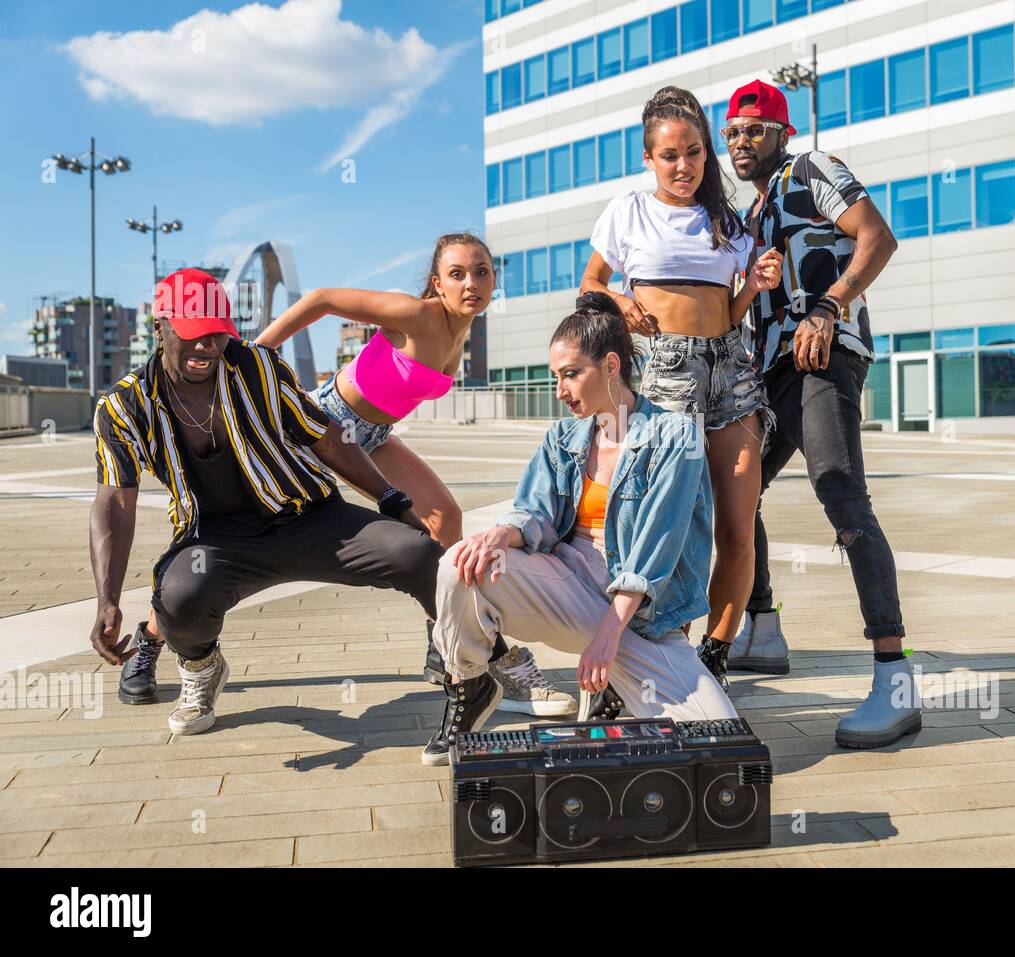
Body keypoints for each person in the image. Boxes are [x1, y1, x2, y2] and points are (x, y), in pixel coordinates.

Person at [90, 268, 443, 736]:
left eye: (217, 334)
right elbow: (115, 503)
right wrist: (108, 600)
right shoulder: (123, 407)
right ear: (160, 327)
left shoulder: (257, 366)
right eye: (193, 333)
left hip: (309, 518)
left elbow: (328, 438)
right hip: (215, 540)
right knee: (177, 599)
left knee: (420, 553)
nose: (206, 347)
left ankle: (485, 664)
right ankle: (202, 669)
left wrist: (393, 500)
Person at [252, 234, 574, 718]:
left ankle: (446, 646)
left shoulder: (462, 332)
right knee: (242, 533)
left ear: (494, 279)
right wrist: (255, 355)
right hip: (325, 428)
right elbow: (321, 299)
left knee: (445, 519)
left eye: (482, 272)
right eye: (457, 274)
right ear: (437, 283)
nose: (471, 283)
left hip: (374, 435)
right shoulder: (417, 314)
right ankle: (157, 637)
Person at [421, 292, 735, 765]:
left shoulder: (675, 436)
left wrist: (607, 641)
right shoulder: (563, 437)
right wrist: (500, 535)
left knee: (716, 741)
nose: (560, 390)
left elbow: (654, 552)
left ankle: (612, 688)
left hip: (635, 617)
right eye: (555, 376)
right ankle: (470, 684)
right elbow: (536, 513)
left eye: (571, 374)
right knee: (458, 564)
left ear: (610, 366)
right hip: (565, 588)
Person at [722, 79, 920, 749]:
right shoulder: (751, 214)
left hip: (823, 354)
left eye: (753, 129)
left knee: (840, 490)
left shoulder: (812, 169)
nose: (740, 142)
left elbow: (877, 237)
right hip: (769, 372)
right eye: (732, 133)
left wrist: (830, 305)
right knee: (737, 491)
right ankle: (762, 626)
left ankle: (894, 675)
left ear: (782, 133)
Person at [580, 86, 783, 709]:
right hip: (664, 373)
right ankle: (649, 657)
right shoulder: (628, 211)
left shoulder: (726, 221)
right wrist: (621, 301)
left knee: (737, 526)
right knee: (664, 526)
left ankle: (713, 657)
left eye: (694, 152)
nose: (683, 165)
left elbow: (732, 310)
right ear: (649, 158)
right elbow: (590, 283)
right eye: (669, 155)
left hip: (731, 372)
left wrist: (756, 284)